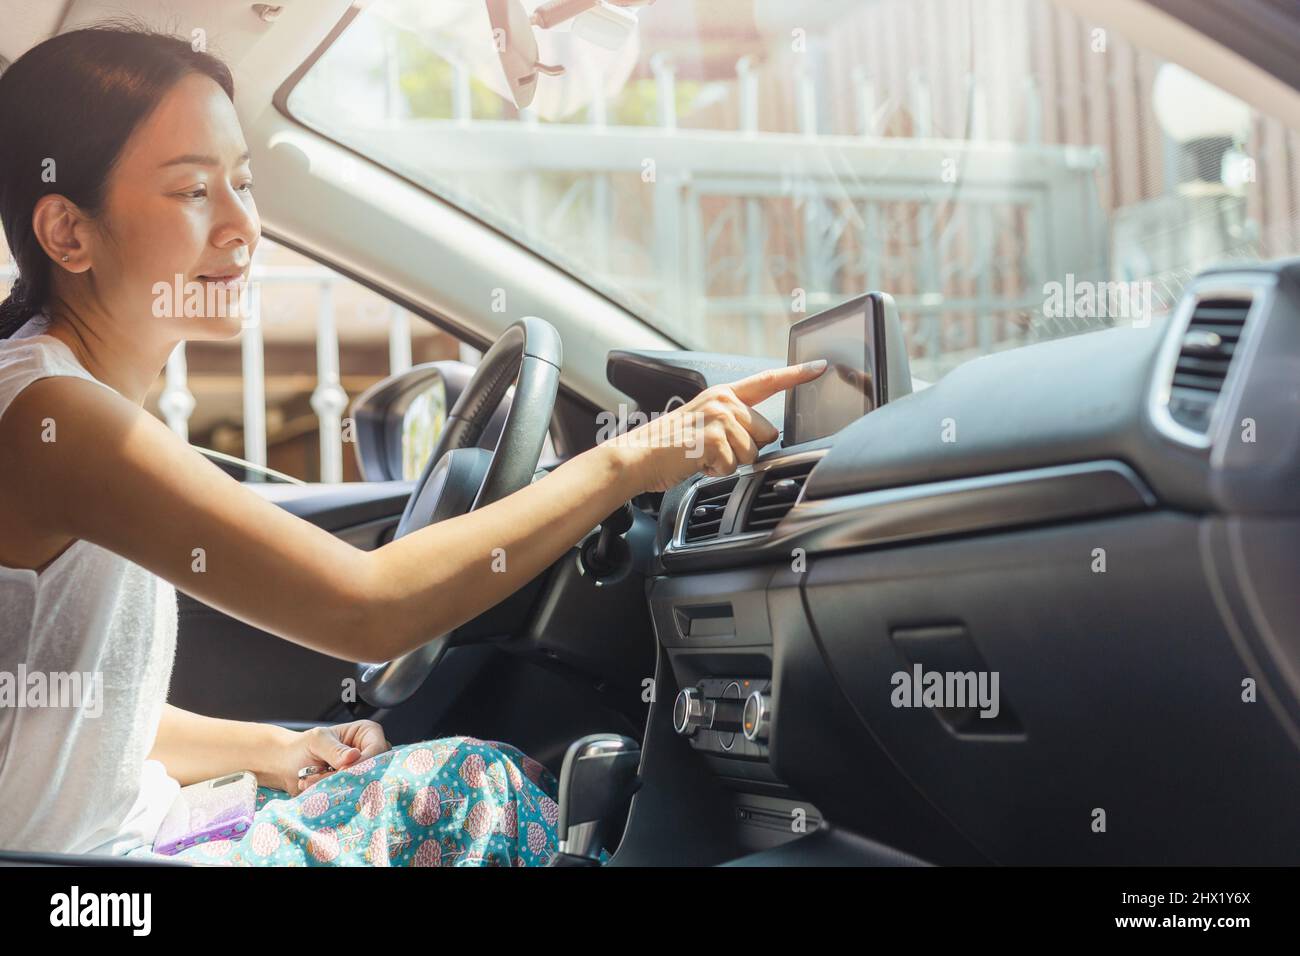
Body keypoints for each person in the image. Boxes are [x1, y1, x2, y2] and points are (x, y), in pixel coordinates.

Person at [0, 25, 827, 866]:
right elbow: (370, 608)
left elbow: (78, 713)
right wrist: (633, 459)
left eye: (243, 184)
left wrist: (271, 750)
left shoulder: (65, 401)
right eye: (192, 193)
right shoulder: (55, 419)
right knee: (481, 794)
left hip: (122, 840)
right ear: (68, 232)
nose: (244, 224)